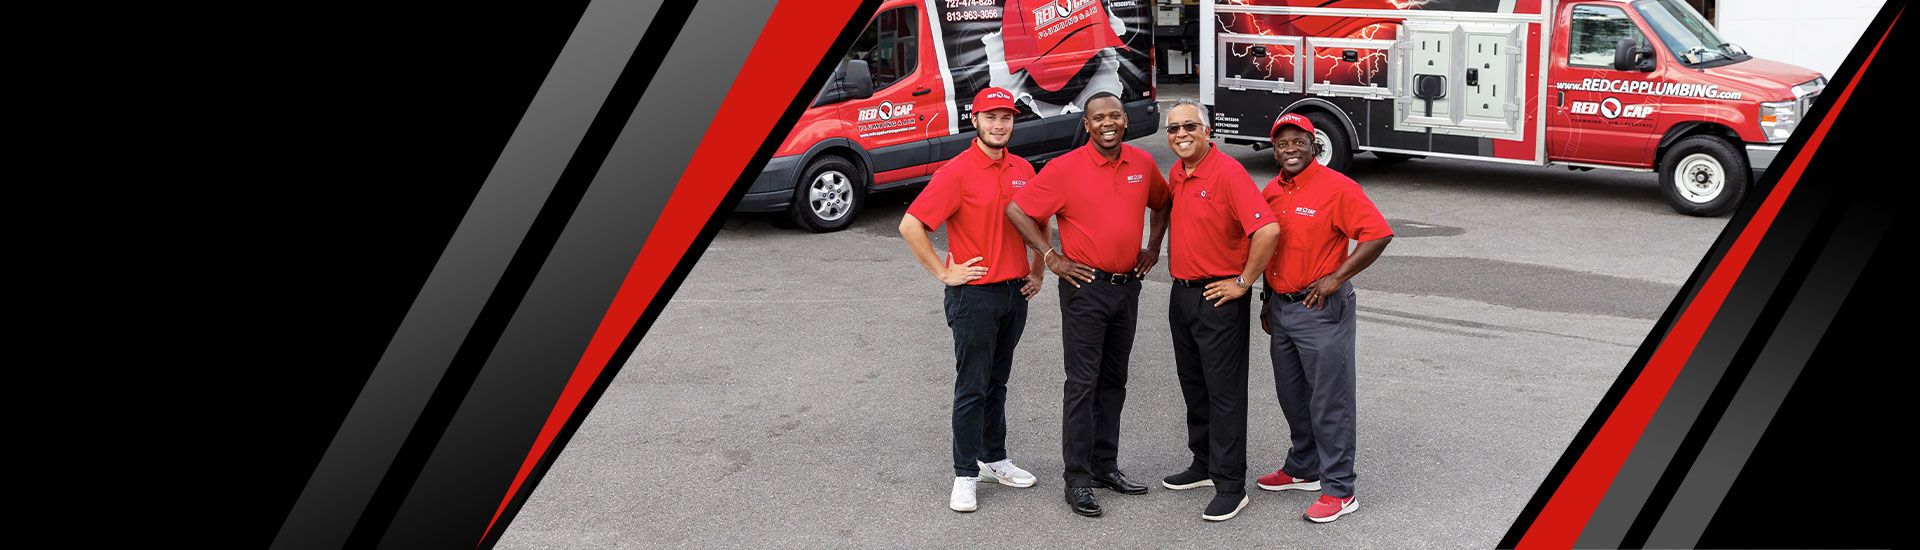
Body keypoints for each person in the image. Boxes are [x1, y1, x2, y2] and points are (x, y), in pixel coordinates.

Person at [1005, 91, 1170, 518]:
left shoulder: (1142, 164)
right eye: (1099, 118)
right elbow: (1018, 211)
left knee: (1114, 382)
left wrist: (1153, 247)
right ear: (1087, 125)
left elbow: (1164, 202)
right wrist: (1050, 257)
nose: (1108, 123)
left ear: (1126, 122)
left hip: (1127, 286)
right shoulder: (1064, 168)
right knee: (1082, 384)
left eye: (1115, 115)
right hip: (1085, 288)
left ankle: (1104, 466)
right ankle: (1077, 479)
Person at [899, 87, 1046, 513]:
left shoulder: (1022, 168)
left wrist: (1037, 269)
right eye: (991, 117)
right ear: (975, 120)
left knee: (997, 383)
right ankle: (965, 473)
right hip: (974, 296)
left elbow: (1039, 221)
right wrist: (945, 273)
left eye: (1006, 118)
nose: (999, 125)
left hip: (1014, 293)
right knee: (972, 386)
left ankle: (993, 458)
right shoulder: (957, 171)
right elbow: (911, 226)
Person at [1254, 112, 1393, 523]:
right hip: (1281, 305)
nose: (1290, 149)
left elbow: (1378, 233)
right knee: (1292, 395)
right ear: (1275, 149)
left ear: (1314, 146)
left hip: (1320, 309)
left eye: (1299, 141)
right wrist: (1266, 300)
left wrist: (1336, 278)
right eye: (1283, 143)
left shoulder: (1337, 188)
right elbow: (1268, 247)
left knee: (1329, 401)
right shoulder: (1271, 191)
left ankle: (1339, 489)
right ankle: (1304, 467)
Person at [1152, 99, 1279, 522]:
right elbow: (1167, 211)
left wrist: (1244, 282)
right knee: (1194, 385)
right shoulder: (1178, 171)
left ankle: (1230, 484)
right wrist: (1154, 246)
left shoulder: (1228, 173)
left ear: (1208, 131)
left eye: (1190, 126)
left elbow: (1267, 229)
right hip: (1182, 294)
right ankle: (1203, 464)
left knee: (1224, 393)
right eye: (1173, 129)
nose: (1181, 134)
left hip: (1219, 296)